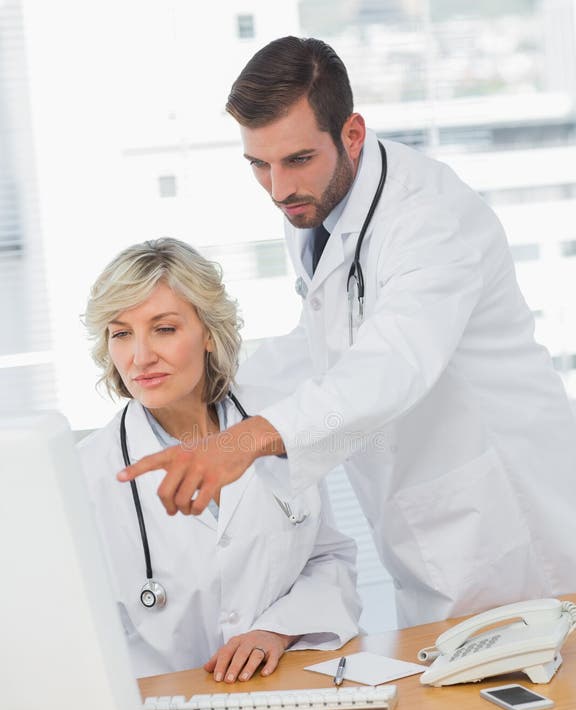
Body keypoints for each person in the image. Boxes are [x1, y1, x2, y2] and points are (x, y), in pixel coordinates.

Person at [119, 38, 576, 627]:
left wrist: (248, 438)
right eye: (259, 165)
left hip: (515, 525)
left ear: (352, 134)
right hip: (428, 525)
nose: (279, 189)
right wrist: (201, 387)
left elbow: (391, 362)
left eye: (297, 160)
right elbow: (326, 340)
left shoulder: (431, 221)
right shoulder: (315, 206)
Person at [78, 237, 360, 679]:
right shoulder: (86, 473)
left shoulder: (275, 425)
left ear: (208, 333)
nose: (140, 357)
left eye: (164, 329)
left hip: (283, 690)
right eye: (121, 334)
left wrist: (276, 631)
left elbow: (328, 560)